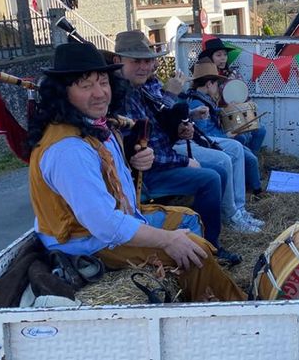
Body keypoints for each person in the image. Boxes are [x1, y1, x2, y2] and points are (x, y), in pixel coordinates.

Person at [27, 42, 246, 302]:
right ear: (63, 93)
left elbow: (108, 174)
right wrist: (166, 241)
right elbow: (105, 224)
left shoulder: (93, 125)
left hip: (110, 225)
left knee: (188, 219)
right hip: (88, 243)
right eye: (85, 86)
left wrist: (135, 159)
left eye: (103, 82)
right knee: (194, 250)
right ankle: (230, 303)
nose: (99, 93)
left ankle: (192, 288)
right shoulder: (68, 149)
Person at [112, 30, 244, 265]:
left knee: (220, 171)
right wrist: (183, 161)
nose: (144, 66)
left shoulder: (142, 87)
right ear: (118, 61)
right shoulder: (120, 96)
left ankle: (202, 234)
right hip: (143, 175)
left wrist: (182, 127)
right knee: (211, 178)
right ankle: (208, 248)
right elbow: (144, 150)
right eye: (136, 61)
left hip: (164, 158)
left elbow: (160, 125)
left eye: (147, 60)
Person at [182, 58, 266, 200]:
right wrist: (227, 135)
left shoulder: (202, 98)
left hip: (219, 138)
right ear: (209, 84)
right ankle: (257, 191)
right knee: (251, 159)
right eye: (216, 83)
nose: (218, 87)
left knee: (247, 140)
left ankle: (247, 180)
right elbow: (202, 135)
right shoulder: (198, 103)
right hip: (214, 143)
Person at [198, 36, 266, 154]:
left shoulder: (233, 73)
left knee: (261, 130)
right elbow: (209, 103)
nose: (223, 58)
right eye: (218, 55)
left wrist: (245, 103)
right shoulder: (206, 77)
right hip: (221, 119)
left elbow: (244, 94)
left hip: (237, 113)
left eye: (225, 55)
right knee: (242, 137)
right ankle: (244, 159)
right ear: (210, 58)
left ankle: (251, 158)